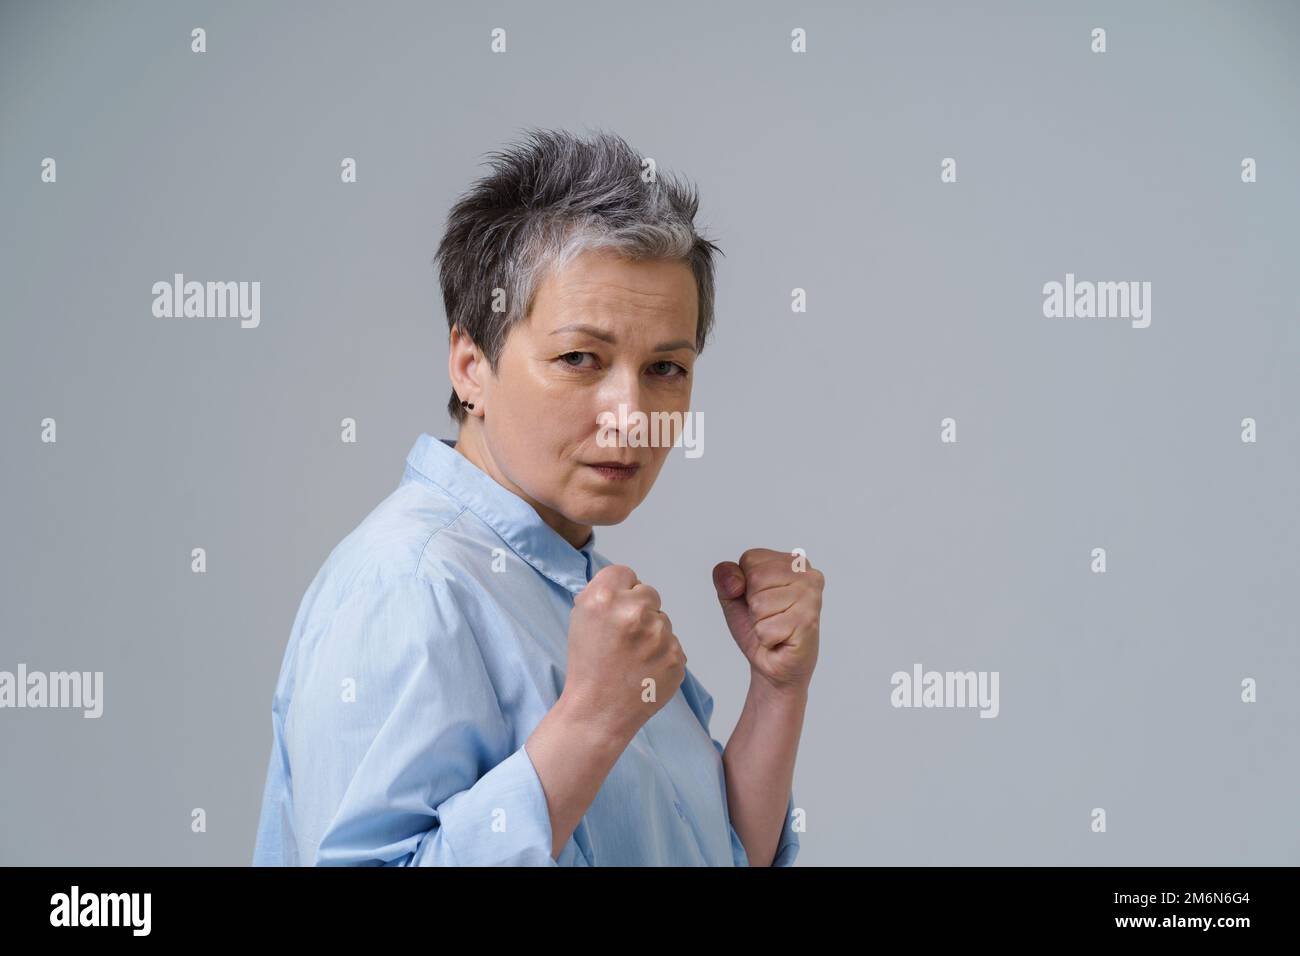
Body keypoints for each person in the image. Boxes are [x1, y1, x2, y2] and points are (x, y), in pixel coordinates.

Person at [252, 127, 823, 866]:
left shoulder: (565, 579)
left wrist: (778, 691)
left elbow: (713, 850)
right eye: (580, 358)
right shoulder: (407, 584)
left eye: (666, 368)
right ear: (470, 366)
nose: (631, 413)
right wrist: (588, 723)